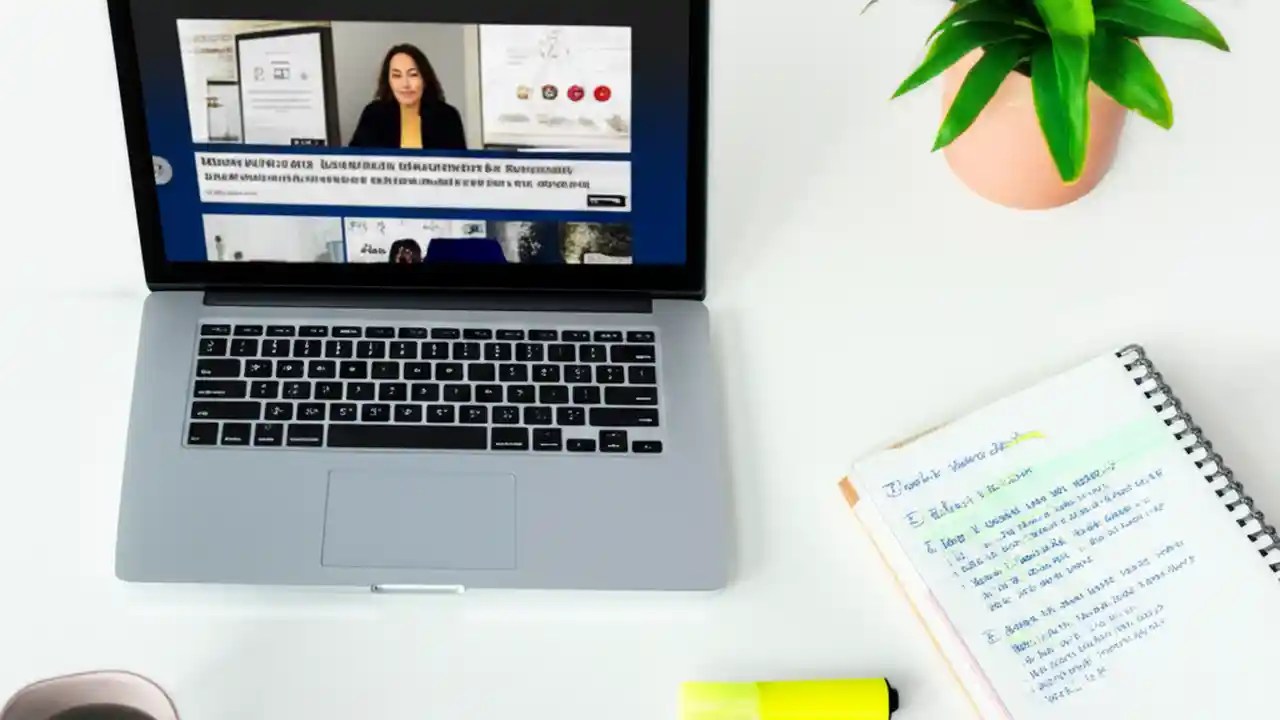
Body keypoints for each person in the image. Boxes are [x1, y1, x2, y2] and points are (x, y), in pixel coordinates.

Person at [348, 44, 466, 150]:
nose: (405, 84)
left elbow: (461, 167)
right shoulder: (373, 114)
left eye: (413, 75)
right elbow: (356, 163)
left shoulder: (447, 116)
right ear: (388, 81)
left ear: (424, 79)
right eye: (397, 76)